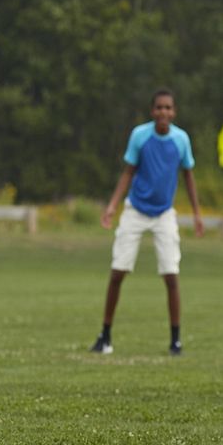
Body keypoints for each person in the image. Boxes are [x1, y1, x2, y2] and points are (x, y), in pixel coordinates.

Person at [90, 88, 204, 356]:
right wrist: (112, 206)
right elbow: (128, 172)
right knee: (118, 272)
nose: (164, 112)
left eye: (168, 108)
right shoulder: (140, 136)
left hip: (164, 213)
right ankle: (105, 335)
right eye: (159, 108)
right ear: (152, 111)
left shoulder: (181, 139)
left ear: (173, 112)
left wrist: (198, 214)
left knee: (171, 275)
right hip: (136, 211)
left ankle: (175, 340)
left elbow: (188, 176)